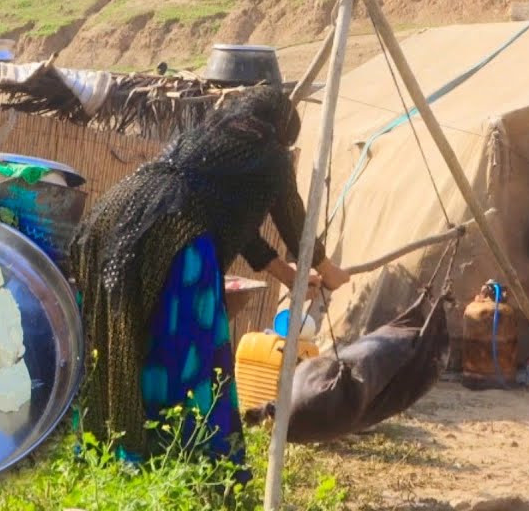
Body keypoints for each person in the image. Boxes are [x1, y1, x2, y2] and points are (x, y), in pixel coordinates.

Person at [68, 83, 349, 479]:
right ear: (282, 131)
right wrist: (329, 268)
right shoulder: (271, 158)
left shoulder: (206, 142)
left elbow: (236, 223)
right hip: (174, 238)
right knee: (187, 353)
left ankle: (113, 445)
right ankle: (197, 459)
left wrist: (286, 273)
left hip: (113, 220)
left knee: (127, 337)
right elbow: (294, 223)